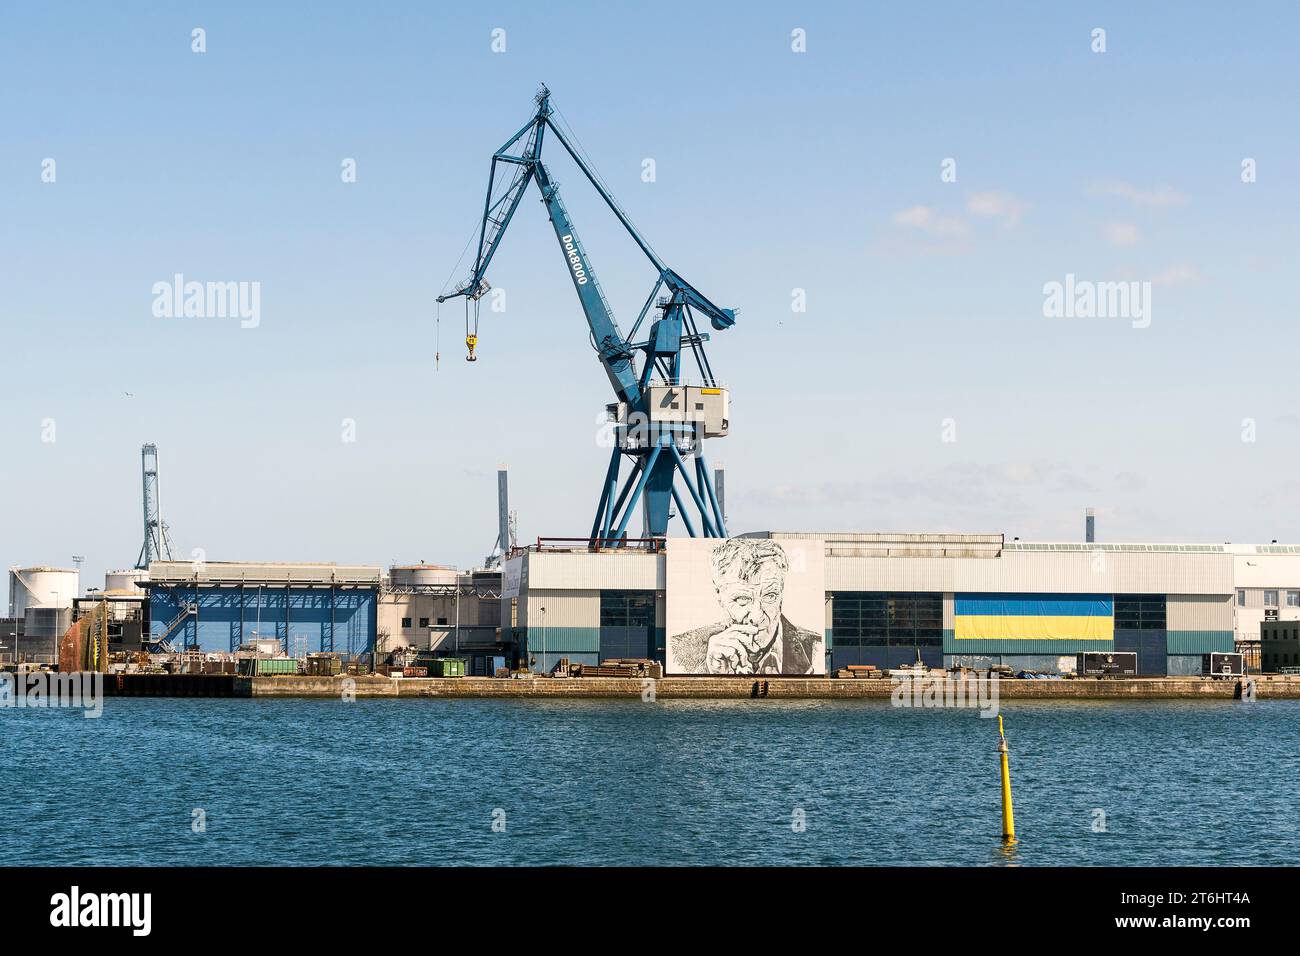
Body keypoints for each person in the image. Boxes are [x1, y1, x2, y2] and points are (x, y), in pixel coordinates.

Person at [670, 538, 821, 674]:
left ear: (781, 595)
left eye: (770, 596)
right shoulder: (679, 650)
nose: (756, 617)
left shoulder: (816, 648)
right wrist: (710, 671)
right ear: (719, 595)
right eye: (742, 599)